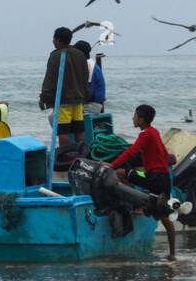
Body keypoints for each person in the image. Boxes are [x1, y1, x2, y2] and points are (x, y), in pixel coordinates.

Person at [109, 104, 177, 259]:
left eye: (135, 116)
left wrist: (112, 165)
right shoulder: (154, 132)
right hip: (163, 178)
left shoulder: (145, 134)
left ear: (141, 119)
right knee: (164, 216)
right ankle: (173, 253)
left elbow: (131, 150)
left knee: (120, 173)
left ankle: (137, 203)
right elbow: (164, 154)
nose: (133, 118)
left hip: (155, 179)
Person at [39, 26, 91, 156]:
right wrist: (85, 96)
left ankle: (65, 156)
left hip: (63, 100)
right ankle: (81, 155)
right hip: (79, 99)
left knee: (63, 131)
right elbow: (85, 77)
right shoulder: (80, 55)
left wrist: (43, 97)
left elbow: (50, 79)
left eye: (53, 39)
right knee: (79, 129)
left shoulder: (56, 55)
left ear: (57, 40)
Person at [75, 41, 107, 115]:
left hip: (92, 105)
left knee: (55, 117)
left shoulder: (88, 66)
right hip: (95, 104)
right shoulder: (92, 64)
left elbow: (89, 92)